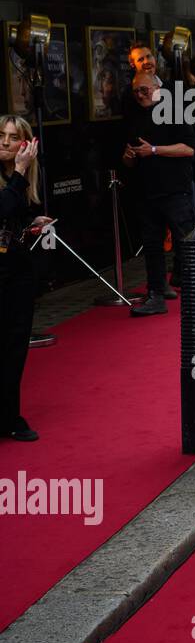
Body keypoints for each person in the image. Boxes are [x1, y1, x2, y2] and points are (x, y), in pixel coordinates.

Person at [121, 71, 195, 316]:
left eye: (145, 89)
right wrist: (129, 157)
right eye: (136, 92)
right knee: (152, 245)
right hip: (146, 190)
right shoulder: (134, 116)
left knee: (185, 243)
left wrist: (154, 150)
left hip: (175, 189)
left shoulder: (173, 111)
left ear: (157, 87)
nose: (140, 95)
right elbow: (130, 155)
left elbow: (188, 149)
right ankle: (156, 292)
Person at [0, 115, 53, 442]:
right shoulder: (16, 176)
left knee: (15, 347)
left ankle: (10, 416)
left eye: (12, 137)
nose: (5, 142)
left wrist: (32, 222)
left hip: (16, 273)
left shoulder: (21, 178)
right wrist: (19, 172)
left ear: (26, 144)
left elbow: (12, 218)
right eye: (1, 136)